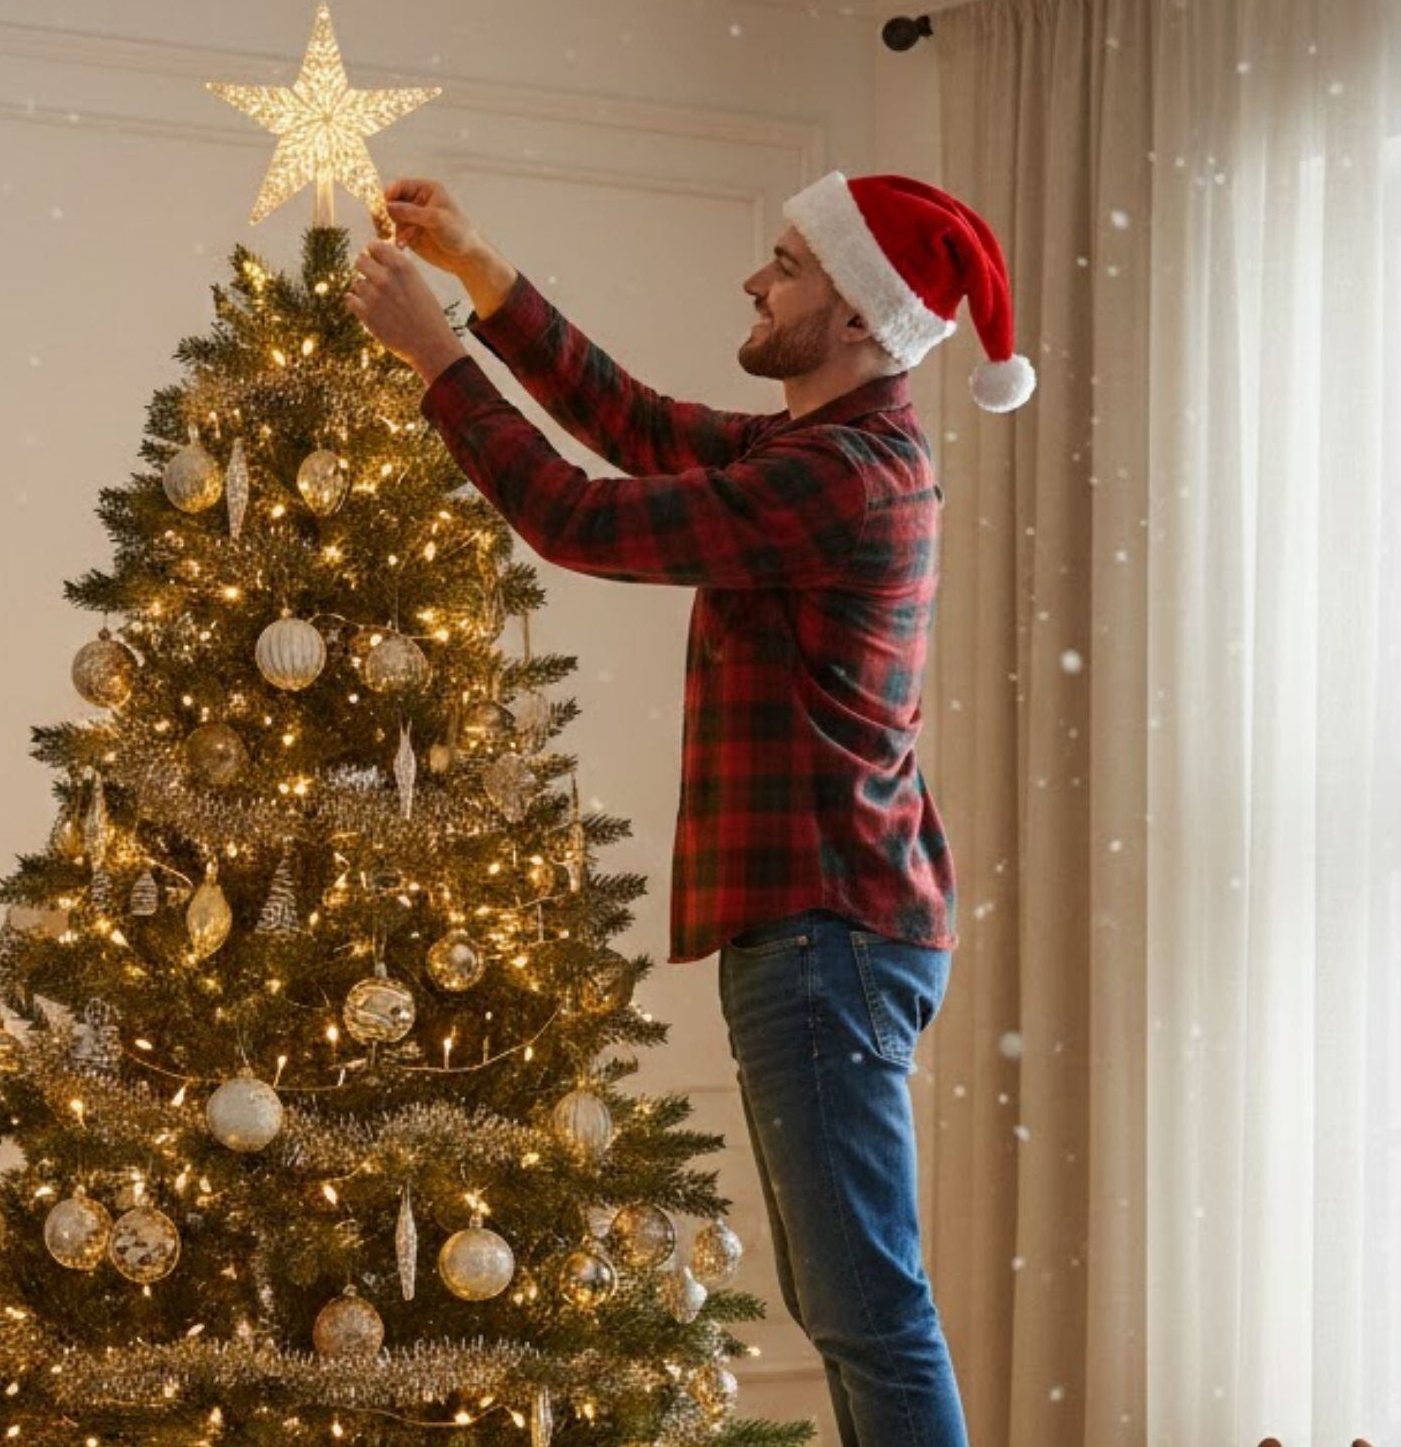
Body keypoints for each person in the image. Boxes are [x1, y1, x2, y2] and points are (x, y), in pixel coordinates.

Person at [346, 169, 1033, 1447]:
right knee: (848, 1304)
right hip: (823, 931)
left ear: (858, 318)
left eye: (786, 264)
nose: (753, 279)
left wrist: (437, 356)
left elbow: (577, 518)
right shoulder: (813, 450)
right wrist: (478, 267)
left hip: (828, 934)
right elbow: (638, 425)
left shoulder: (847, 478)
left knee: (865, 1310)